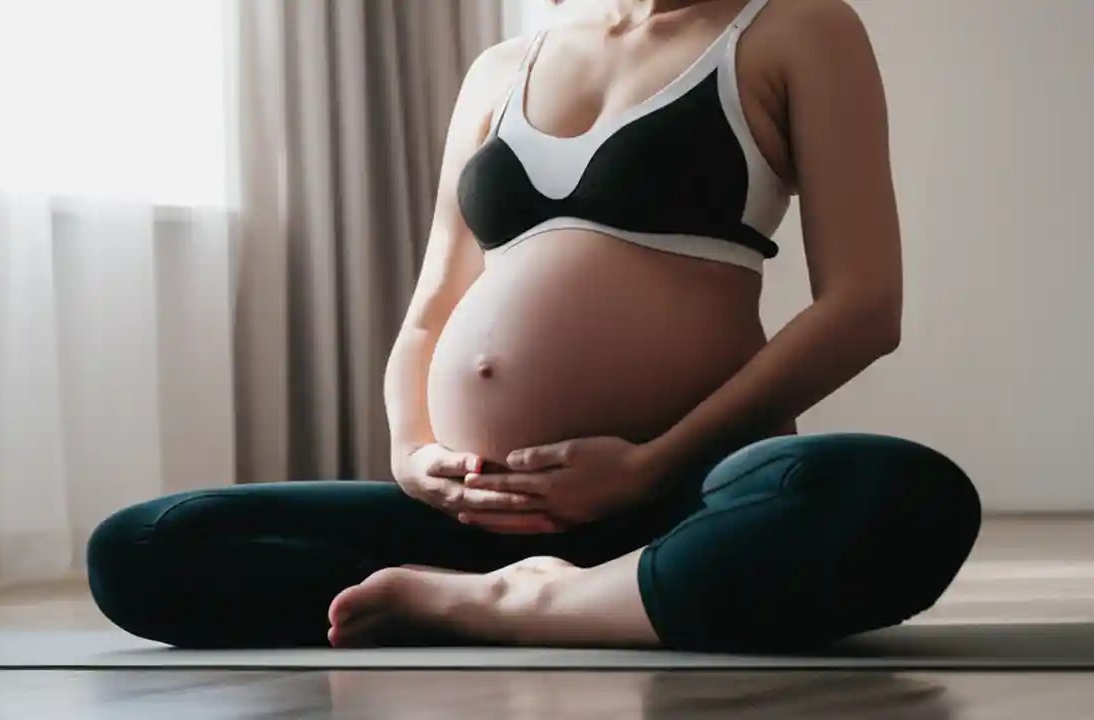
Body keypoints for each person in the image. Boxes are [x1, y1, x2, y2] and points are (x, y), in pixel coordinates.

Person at [86, 0, 981, 652]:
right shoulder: (499, 68)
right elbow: (432, 306)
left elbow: (864, 307)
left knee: (898, 496)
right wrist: (412, 456)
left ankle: (506, 607)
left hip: (681, 496)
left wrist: (646, 468)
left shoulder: (794, 28)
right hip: (483, 513)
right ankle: (577, 599)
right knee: (141, 550)